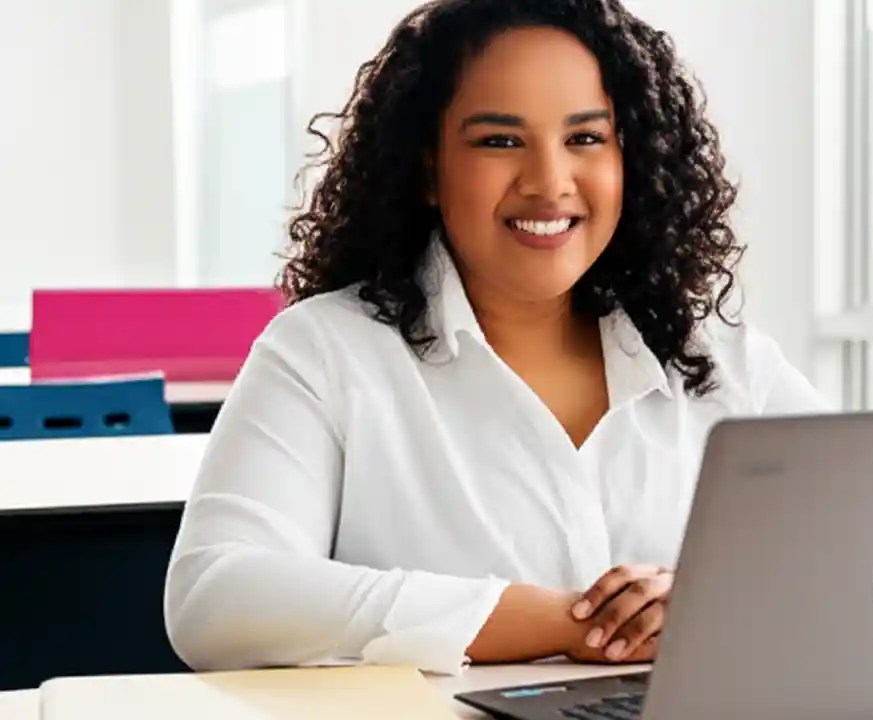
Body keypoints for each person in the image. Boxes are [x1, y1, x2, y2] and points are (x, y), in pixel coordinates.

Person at [164, 0, 825, 676]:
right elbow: (216, 598)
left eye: (586, 138)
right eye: (500, 141)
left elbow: (858, 543)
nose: (549, 183)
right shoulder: (323, 352)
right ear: (428, 168)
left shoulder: (718, 356)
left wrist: (706, 602)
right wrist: (577, 623)